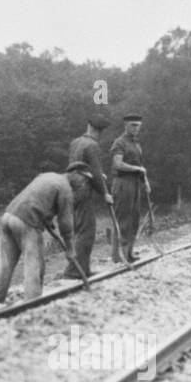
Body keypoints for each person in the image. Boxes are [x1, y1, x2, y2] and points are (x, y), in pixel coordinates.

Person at [0, 163, 89, 304]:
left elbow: (35, 198)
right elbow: (66, 223)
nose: (83, 184)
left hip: (8, 215)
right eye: (83, 179)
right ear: (76, 174)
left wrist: (46, 218)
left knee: (4, 263)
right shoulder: (65, 188)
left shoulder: (47, 176)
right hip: (27, 222)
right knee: (34, 264)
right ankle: (33, 303)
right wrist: (70, 249)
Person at [65, 116, 114, 279]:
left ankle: (82, 269)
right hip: (83, 188)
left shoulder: (75, 142)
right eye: (100, 131)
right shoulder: (92, 145)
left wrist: (98, 175)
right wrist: (105, 193)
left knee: (77, 230)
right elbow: (95, 174)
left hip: (70, 187)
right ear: (95, 130)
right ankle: (75, 271)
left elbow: (78, 167)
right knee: (87, 231)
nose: (100, 134)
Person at [109, 113, 147, 263]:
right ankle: (117, 255)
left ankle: (129, 253)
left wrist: (146, 181)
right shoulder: (120, 143)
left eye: (138, 126)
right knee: (122, 219)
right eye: (132, 125)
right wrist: (137, 169)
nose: (135, 128)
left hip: (135, 184)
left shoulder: (136, 143)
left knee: (134, 219)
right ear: (125, 125)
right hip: (123, 184)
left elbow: (140, 166)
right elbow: (117, 164)